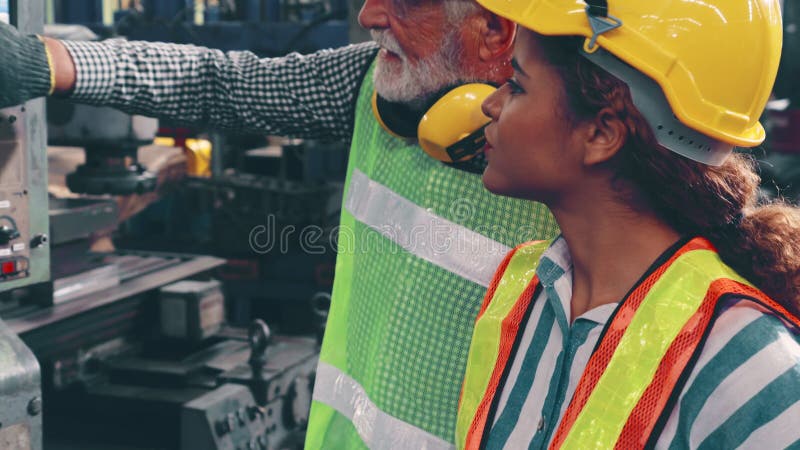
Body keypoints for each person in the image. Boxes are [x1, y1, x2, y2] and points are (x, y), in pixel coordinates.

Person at [0, 0, 558, 448]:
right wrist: (55, 62)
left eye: (407, 2)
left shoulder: (586, 154)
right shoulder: (371, 86)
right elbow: (219, 83)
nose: (368, 14)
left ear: (494, 28)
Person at [454, 0, 800, 449]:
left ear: (602, 133)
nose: (489, 103)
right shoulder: (521, 288)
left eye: (517, 86)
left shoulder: (753, 366)